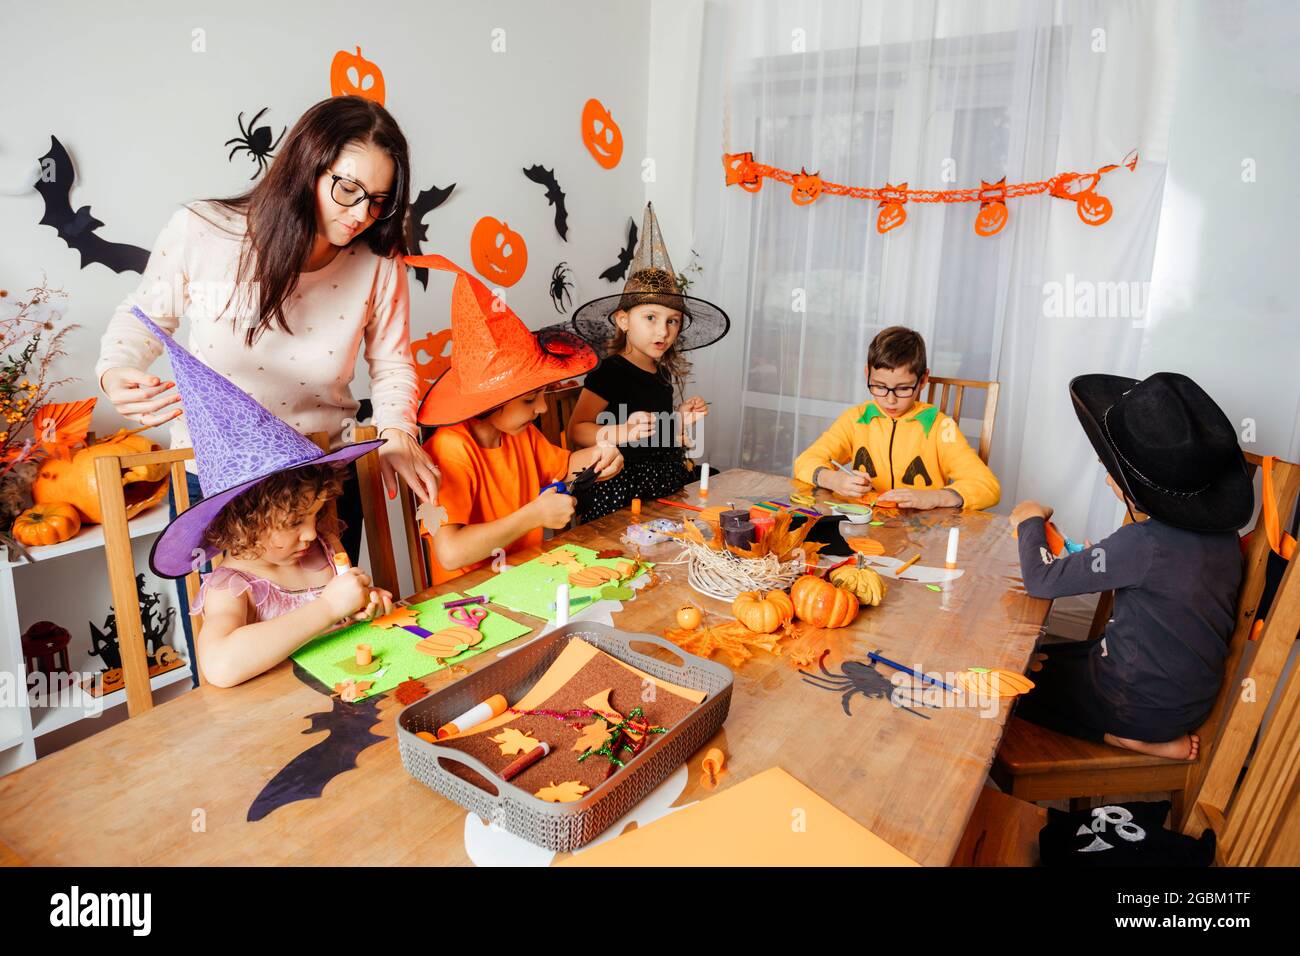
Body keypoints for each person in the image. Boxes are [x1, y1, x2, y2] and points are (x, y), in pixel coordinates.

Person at [1010, 372, 1252, 759]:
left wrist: (1028, 519)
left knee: (1016, 688)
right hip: (1191, 698)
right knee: (1049, 659)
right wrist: (1100, 560)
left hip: (1136, 707)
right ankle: (1139, 729)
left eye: (1114, 471)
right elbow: (1168, 586)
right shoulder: (1224, 538)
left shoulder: (1141, 543)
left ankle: (1122, 737)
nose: (1108, 478)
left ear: (1138, 493)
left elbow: (1040, 579)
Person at [405, 255, 623, 584]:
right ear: (490, 403)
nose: (543, 409)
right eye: (529, 400)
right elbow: (450, 554)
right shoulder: (450, 449)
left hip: (526, 578)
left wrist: (600, 457)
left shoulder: (519, 433)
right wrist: (532, 516)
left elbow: (565, 468)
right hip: (470, 598)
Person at [566, 203, 728, 522]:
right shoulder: (612, 371)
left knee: (716, 502)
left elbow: (655, 434)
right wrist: (623, 430)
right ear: (624, 320)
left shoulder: (660, 372)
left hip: (661, 480)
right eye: (651, 317)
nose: (662, 330)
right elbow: (577, 431)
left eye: (672, 321)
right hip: (619, 484)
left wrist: (678, 421)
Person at [793, 325, 1000, 510]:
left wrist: (935, 497)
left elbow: (986, 486)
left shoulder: (940, 426)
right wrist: (833, 479)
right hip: (865, 527)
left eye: (903, 389)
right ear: (868, 375)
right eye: (880, 387)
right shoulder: (856, 419)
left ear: (923, 380)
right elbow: (804, 461)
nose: (890, 400)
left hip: (922, 533)